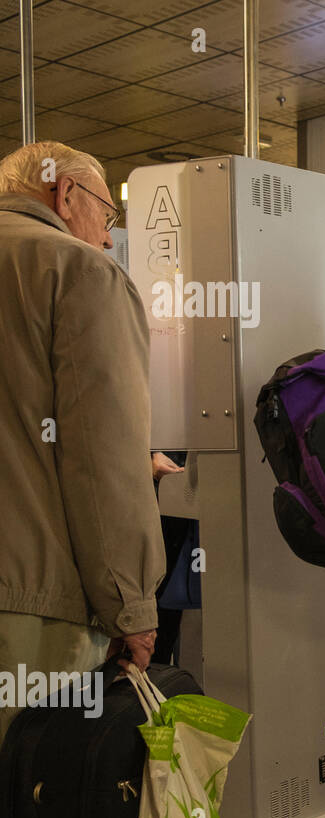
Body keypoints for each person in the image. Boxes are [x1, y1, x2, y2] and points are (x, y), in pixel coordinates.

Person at [0, 141, 163, 746]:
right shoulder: (77, 271)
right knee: (38, 806)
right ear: (64, 194)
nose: (107, 237)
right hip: (32, 603)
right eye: (106, 213)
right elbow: (102, 463)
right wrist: (130, 607)